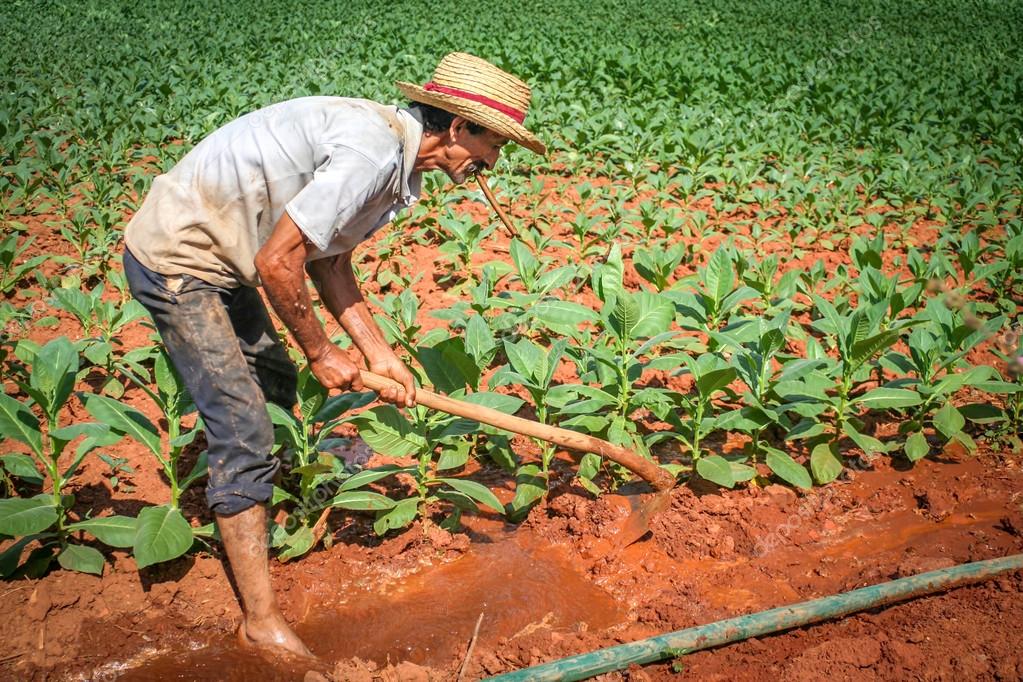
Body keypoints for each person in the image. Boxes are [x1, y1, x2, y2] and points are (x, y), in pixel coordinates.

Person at [121, 52, 545, 658]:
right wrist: (322, 352)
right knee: (242, 427)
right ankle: (259, 620)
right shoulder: (371, 156)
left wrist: (379, 354)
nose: (492, 161)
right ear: (458, 128)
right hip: (181, 262)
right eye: (494, 143)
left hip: (229, 252)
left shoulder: (393, 155)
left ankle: (270, 484)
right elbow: (278, 262)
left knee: (271, 377)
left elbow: (327, 257)